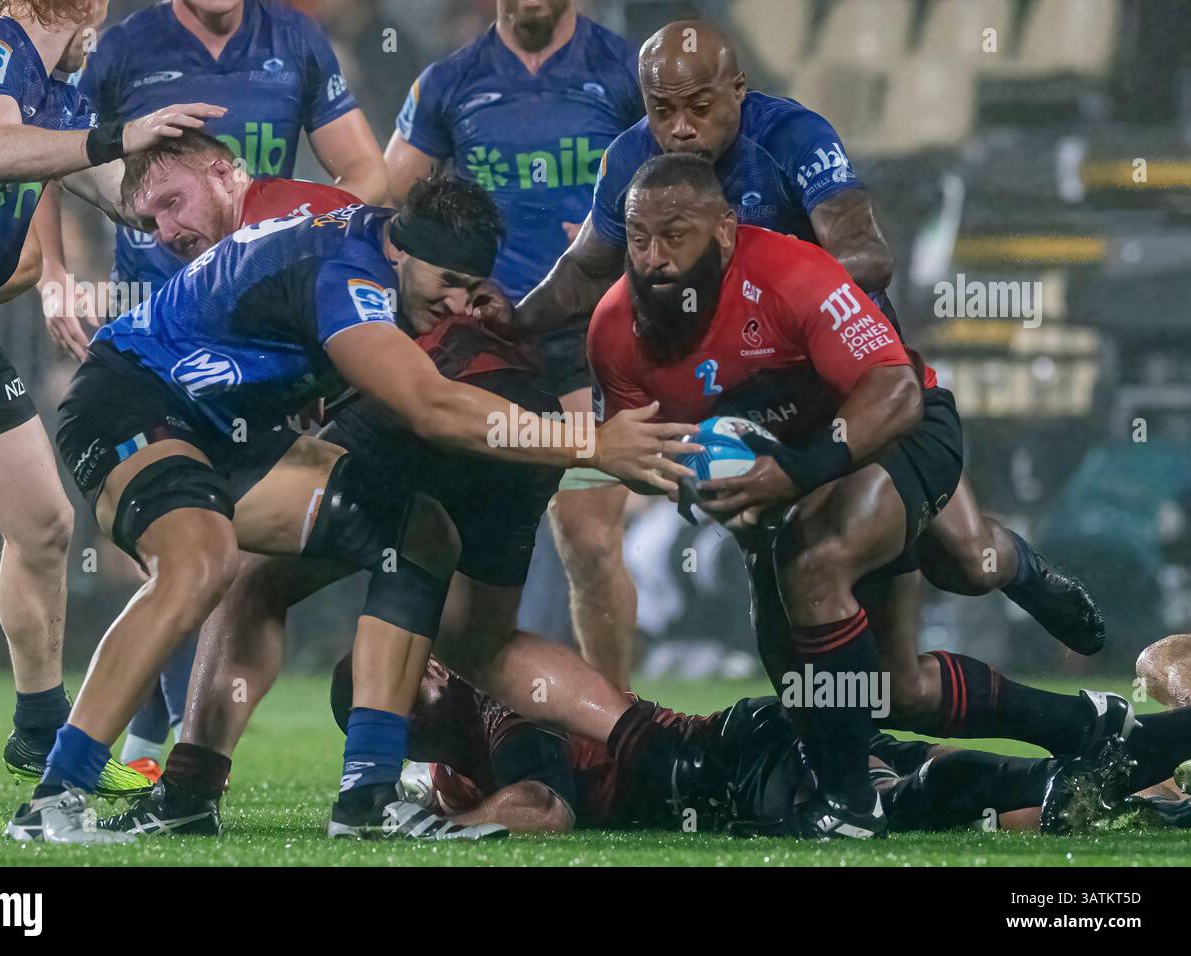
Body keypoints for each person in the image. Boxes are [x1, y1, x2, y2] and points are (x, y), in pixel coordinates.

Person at [4, 174, 699, 843]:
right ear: (402, 251)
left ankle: (360, 799)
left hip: (230, 426)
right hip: (131, 398)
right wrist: (591, 442)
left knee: (420, 533)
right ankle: (56, 795)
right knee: (202, 562)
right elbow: (432, 407)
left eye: (470, 287)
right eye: (448, 285)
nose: (458, 305)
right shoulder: (350, 277)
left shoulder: (376, 244)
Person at [490, 19, 1105, 681]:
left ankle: (1023, 571)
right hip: (751, 399)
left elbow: (867, 252)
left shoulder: (792, 136)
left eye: (700, 108)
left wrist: (782, 293)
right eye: (662, 110)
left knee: (962, 556)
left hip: (849, 373)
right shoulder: (631, 163)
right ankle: (827, 746)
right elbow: (587, 269)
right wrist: (511, 325)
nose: (681, 129)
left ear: (738, 91)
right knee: (783, 559)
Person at [585, 153, 1132, 838]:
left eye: (675, 235)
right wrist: (690, 488)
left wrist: (794, 472)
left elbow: (897, 391)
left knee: (938, 565)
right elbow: (638, 451)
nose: (655, 258)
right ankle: (1088, 724)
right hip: (786, 486)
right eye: (639, 238)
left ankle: (848, 805)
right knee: (885, 689)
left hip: (891, 432)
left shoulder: (791, 274)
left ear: (724, 230)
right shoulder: (612, 330)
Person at [0, 0, 218, 828]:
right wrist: (121, 136)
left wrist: (192, 207)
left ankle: (40, 733)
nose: (100, 31)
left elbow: (115, 189)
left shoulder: (60, 98)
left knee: (42, 527)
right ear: (76, 8)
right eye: (95, 13)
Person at [45, 0, 387, 780]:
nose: (164, 227)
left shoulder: (294, 44)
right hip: (148, 365)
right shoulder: (124, 46)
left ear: (231, 173)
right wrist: (57, 274)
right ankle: (96, 770)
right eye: (152, 211)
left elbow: (364, 175)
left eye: (175, 202)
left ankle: (191, 776)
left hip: (245, 376)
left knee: (228, 560)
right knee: (192, 560)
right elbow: (51, 156)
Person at [385, 0, 646, 687]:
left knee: (589, 541)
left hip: (586, 342)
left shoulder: (626, 74)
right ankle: (443, 728)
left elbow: (682, 192)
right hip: (480, 346)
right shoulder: (447, 83)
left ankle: (617, 736)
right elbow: (389, 212)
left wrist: (622, 247)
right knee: (447, 538)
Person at [325, 649, 1191, 839]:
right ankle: (1155, 793)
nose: (431, 666)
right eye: (414, 678)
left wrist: (437, 826)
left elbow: (542, 808)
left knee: (917, 794)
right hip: (744, 758)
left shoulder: (498, 711)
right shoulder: (444, 767)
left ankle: (1118, 756)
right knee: (975, 801)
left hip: (739, 766)